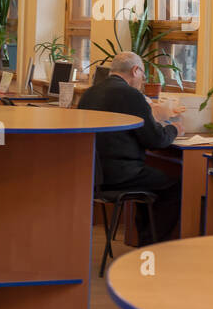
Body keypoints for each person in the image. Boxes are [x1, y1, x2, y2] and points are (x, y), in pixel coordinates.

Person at [77, 51, 183, 243]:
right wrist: (173, 129)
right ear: (135, 70)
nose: (142, 79)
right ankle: (151, 243)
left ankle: (143, 238)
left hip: (93, 174)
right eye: (142, 74)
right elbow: (156, 140)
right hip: (121, 175)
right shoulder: (132, 95)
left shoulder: (89, 94)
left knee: (151, 180)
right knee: (174, 186)